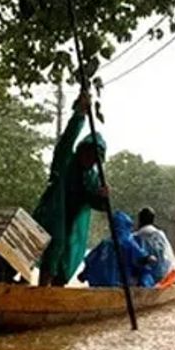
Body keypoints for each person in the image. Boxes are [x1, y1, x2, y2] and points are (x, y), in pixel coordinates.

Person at [33, 90, 110, 286]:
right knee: (53, 248)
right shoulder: (65, 161)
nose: (90, 160)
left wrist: (102, 197)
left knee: (67, 255)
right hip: (52, 213)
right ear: (81, 150)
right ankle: (43, 290)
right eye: (88, 154)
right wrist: (80, 113)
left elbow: (96, 202)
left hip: (71, 221)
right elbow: (68, 139)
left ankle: (56, 290)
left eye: (95, 158)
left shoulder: (91, 176)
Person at [78, 211, 155, 288]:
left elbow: (91, 261)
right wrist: (148, 259)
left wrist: (84, 275)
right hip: (121, 287)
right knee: (145, 272)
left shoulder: (104, 244)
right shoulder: (128, 243)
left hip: (99, 285)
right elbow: (141, 259)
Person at [133, 207, 175, 282]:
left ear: (140, 220)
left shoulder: (138, 236)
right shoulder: (161, 234)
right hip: (166, 273)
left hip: (150, 277)